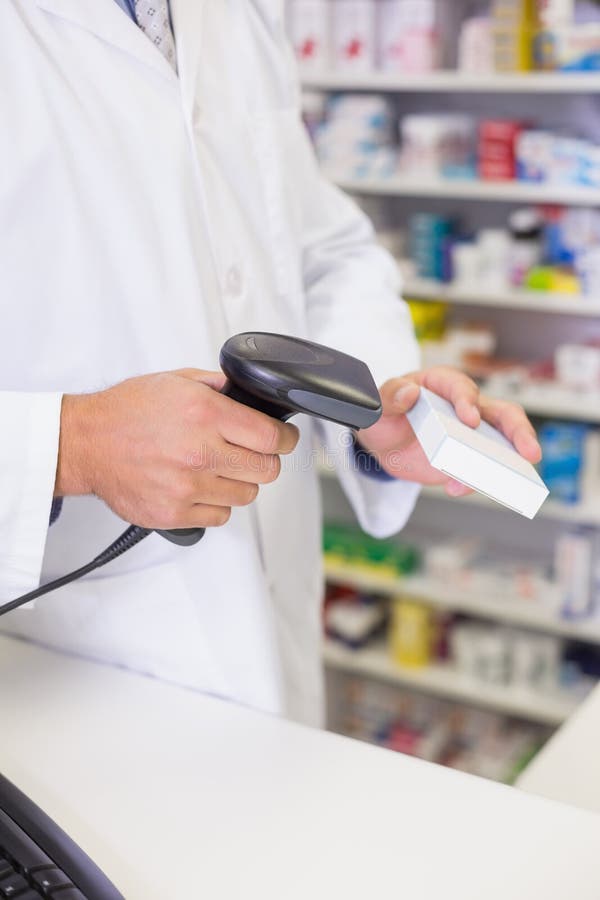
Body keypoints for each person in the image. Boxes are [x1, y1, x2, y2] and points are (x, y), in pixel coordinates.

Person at [0, 1, 541, 726]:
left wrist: (374, 400)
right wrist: (74, 444)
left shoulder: (233, 12)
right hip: (65, 676)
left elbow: (322, 251)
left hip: (274, 643)